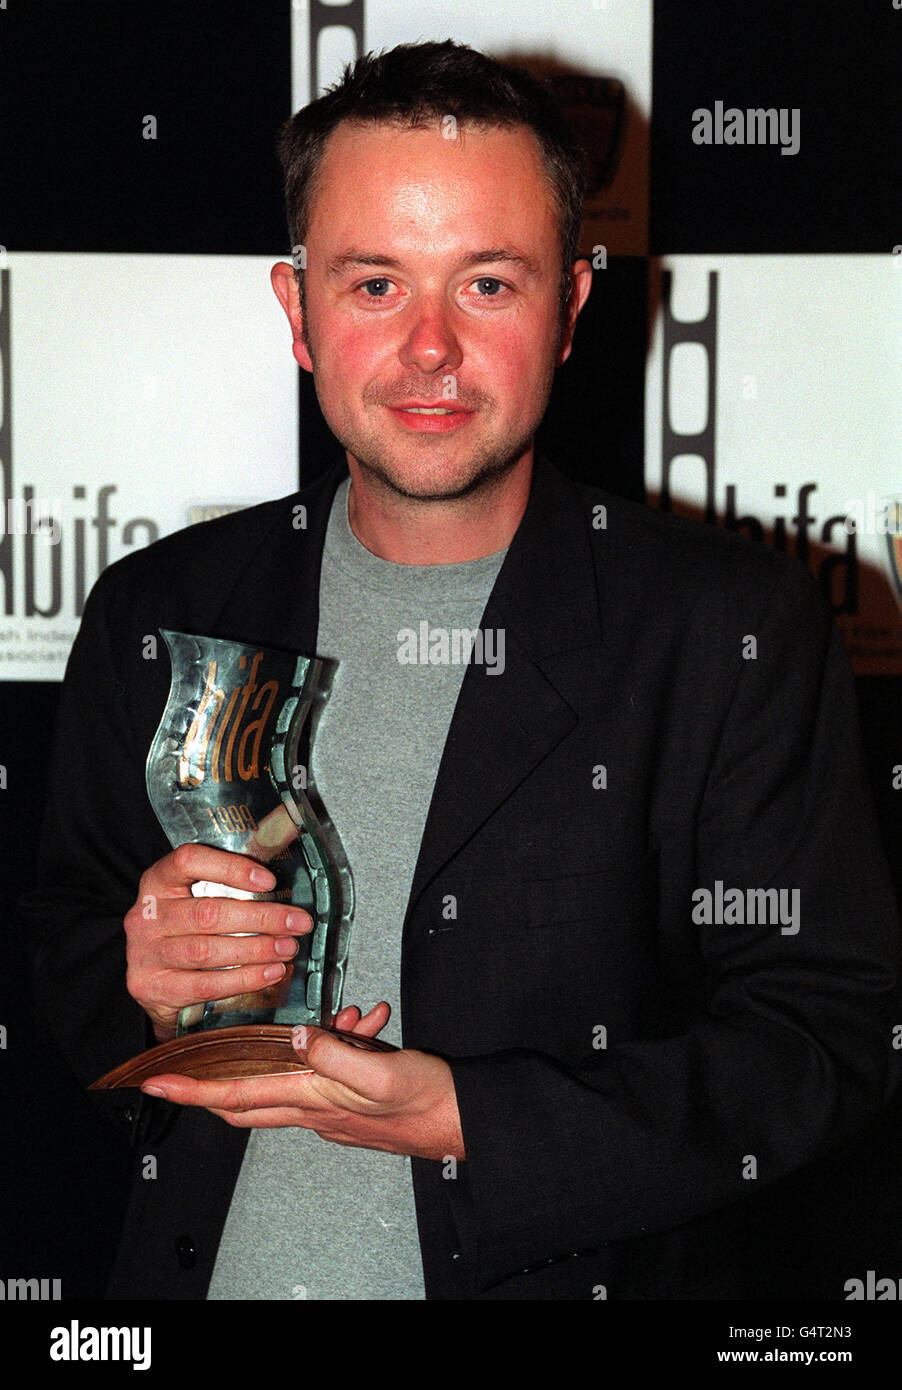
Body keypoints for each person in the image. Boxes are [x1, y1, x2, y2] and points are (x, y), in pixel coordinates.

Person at [22, 40, 901, 1301]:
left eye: (486, 283)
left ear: (570, 311)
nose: (429, 347)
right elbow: (69, 941)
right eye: (373, 282)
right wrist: (141, 983)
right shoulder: (156, 609)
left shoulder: (722, 629)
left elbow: (824, 1038)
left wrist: (470, 1120)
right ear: (296, 312)